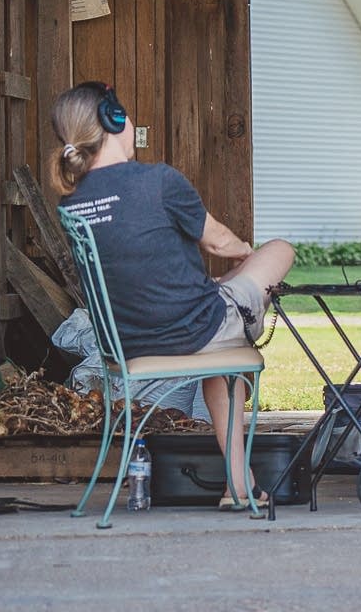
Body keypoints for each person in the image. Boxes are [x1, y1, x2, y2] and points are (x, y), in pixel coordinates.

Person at [52, 82, 295, 510]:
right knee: (280, 252)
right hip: (195, 331)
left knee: (222, 331)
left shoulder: (73, 203)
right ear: (115, 120)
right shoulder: (158, 180)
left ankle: (240, 484)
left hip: (125, 344)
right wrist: (248, 255)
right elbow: (219, 243)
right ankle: (238, 483)